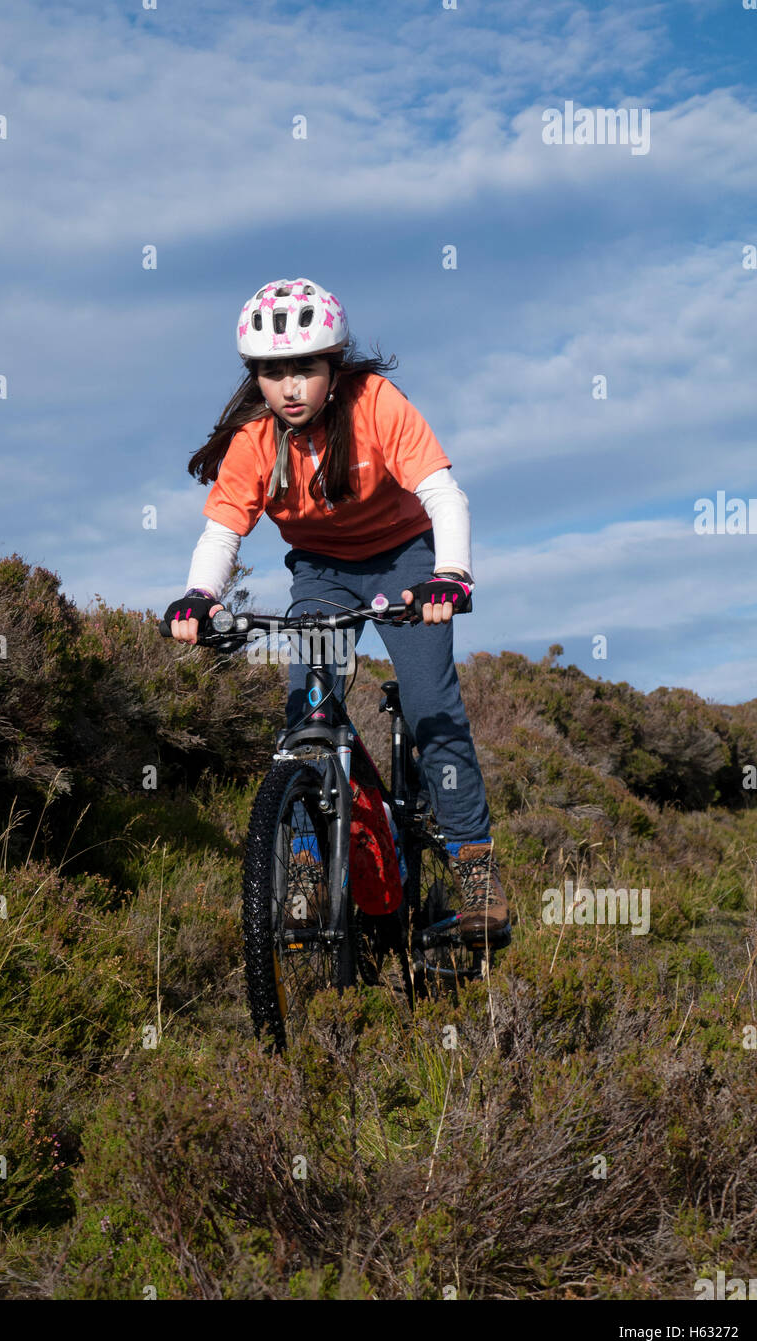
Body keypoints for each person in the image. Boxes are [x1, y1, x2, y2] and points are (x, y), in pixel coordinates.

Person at [163, 277, 509, 949]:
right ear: (256, 377)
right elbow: (223, 531)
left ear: (333, 366)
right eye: (272, 372)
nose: (289, 387)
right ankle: (305, 874)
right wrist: (200, 597)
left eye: (305, 369)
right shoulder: (256, 438)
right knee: (305, 721)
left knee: (431, 704)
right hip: (321, 571)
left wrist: (451, 576)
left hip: (405, 559)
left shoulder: (377, 404)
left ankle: (475, 869)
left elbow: (444, 493)